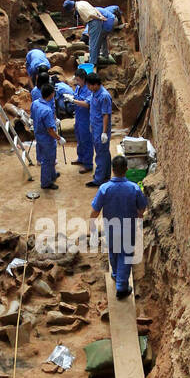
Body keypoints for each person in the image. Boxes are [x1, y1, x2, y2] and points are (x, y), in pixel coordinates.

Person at [91, 154, 147, 299]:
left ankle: (116, 275)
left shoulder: (105, 188)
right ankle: (122, 287)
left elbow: (95, 210)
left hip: (111, 228)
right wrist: (139, 216)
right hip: (128, 228)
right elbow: (142, 208)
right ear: (126, 169)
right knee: (125, 255)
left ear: (113, 169)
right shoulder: (134, 188)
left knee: (114, 251)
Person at [62, 0, 120, 67]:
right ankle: (104, 54)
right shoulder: (82, 2)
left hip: (99, 21)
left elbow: (91, 15)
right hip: (109, 20)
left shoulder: (80, 8)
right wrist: (100, 16)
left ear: (71, 8)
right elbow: (94, 10)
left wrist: (100, 18)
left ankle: (92, 62)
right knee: (102, 37)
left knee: (93, 43)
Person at [31, 81, 63, 190]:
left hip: (38, 135)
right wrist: (59, 138)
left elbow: (33, 117)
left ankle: (52, 175)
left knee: (50, 158)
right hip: (47, 138)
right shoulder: (47, 110)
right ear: (51, 94)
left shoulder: (35, 103)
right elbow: (50, 130)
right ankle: (46, 182)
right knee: (48, 160)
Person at [86, 70, 113, 187]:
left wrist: (104, 132)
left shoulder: (104, 96)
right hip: (95, 126)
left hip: (101, 129)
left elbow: (105, 114)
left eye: (89, 85)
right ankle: (106, 175)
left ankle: (99, 179)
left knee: (100, 154)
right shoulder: (94, 93)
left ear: (95, 84)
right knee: (104, 152)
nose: (88, 87)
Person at [70, 67, 94, 173]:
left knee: (86, 141)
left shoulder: (88, 89)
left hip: (86, 119)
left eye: (78, 80)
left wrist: (74, 101)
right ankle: (81, 158)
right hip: (79, 118)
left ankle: (88, 164)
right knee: (79, 139)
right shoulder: (78, 87)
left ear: (84, 79)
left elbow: (87, 104)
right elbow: (76, 97)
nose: (76, 82)